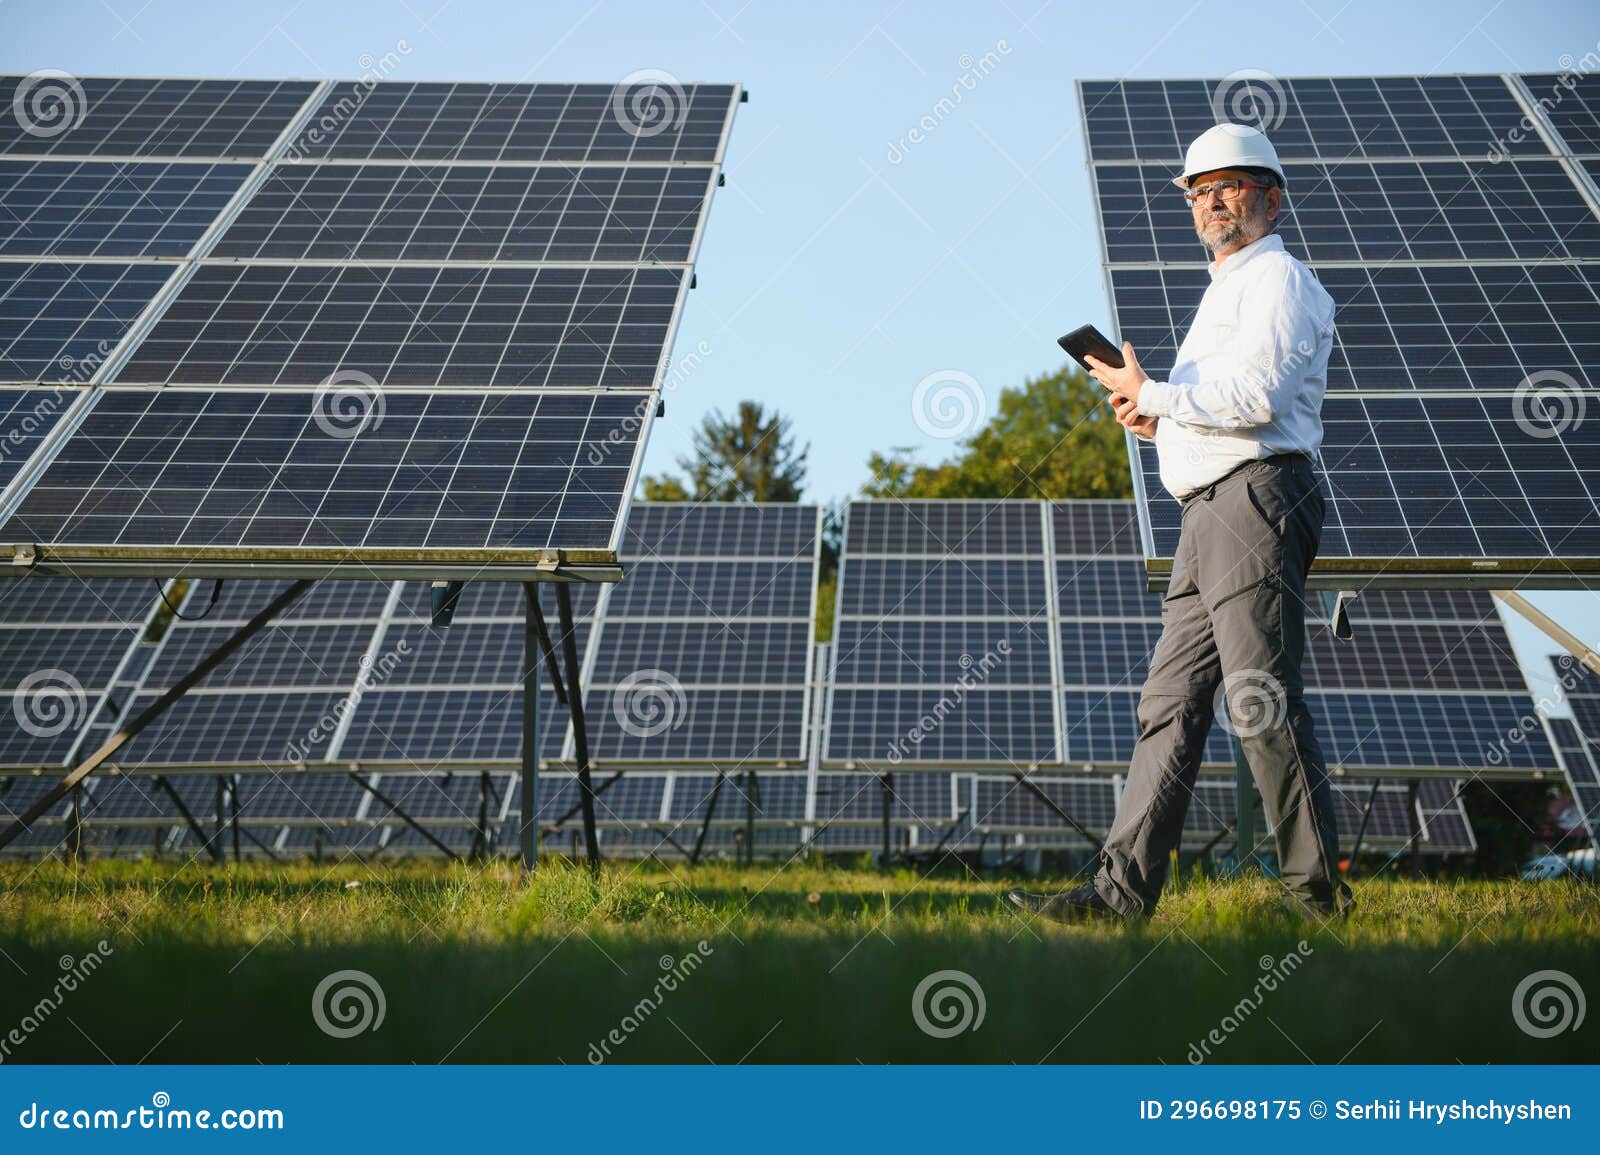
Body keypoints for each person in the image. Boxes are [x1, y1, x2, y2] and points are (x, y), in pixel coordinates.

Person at [1008, 123, 1354, 922]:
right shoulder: (1224, 291)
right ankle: (1116, 895)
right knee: (1168, 703)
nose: (1210, 202)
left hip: (1257, 501)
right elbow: (1222, 407)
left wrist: (1157, 392)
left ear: (1270, 197)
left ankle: (1315, 897)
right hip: (1207, 513)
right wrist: (1157, 420)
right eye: (1199, 192)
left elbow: (1260, 400)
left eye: (1228, 186)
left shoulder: (1280, 281)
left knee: (1260, 697)